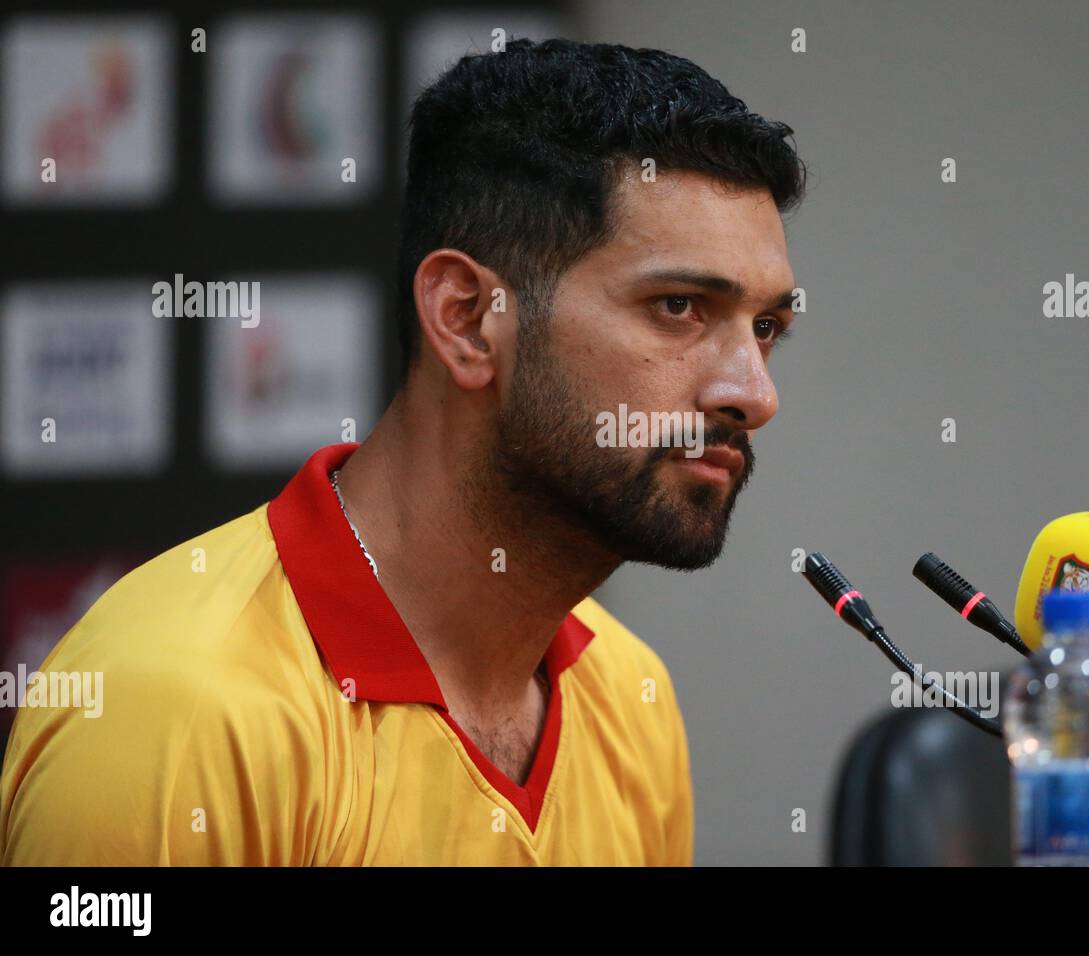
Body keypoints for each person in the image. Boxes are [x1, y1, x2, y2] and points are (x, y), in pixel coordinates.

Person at [0, 37, 806, 865]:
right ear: (465, 318)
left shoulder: (631, 697)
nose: (754, 394)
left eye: (768, 328)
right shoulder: (172, 710)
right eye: (678, 306)